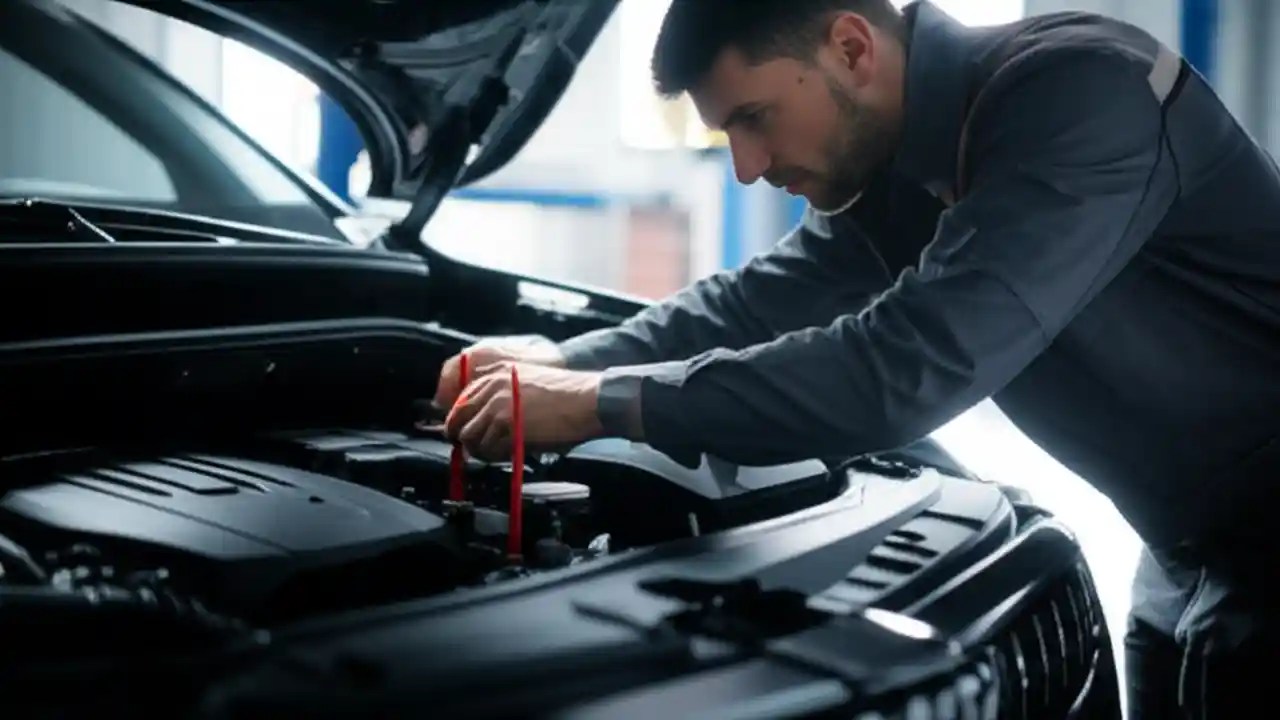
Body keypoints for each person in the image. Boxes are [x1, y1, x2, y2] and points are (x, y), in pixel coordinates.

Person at [435, 1, 1280, 716]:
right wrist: (549, 363)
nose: (746, 167)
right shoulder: (895, 174)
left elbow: (903, 367)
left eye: (752, 119)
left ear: (850, 48)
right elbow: (748, 306)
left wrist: (600, 402)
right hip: (1186, 564)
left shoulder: (1082, 93)